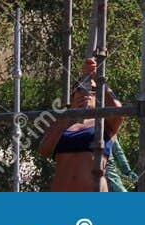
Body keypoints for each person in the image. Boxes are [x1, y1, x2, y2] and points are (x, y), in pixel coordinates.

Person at [38, 57, 125, 192]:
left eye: (93, 90)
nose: (87, 93)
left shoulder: (103, 123)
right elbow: (44, 151)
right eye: (81, 88)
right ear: (73, 95)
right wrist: (68, 116)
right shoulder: (61, 123)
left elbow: (119, 112)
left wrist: (98, 78)